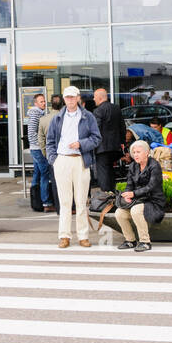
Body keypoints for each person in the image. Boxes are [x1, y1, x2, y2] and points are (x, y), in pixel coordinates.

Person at [45, 86, 102, 248]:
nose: (70, 100)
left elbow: (97, 138)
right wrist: (53, 160)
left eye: (72, 97)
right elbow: (49, 141)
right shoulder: (57, 118)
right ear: (64, 99)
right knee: (64, 202)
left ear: (78, 98)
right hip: (62, 160)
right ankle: (64, 236)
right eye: (67, 97)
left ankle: (83, 236)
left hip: (80, 160)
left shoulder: (87, 116)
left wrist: (81, 144)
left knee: (81, 201)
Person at [114, 140, 167, 252]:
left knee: (135, 210)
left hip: (153, 201)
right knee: (119, 213)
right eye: (134, 152)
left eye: (138, 152)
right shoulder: (133, 166)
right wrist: (127, 195)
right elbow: (129, 184)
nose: (135, 154)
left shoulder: (154, 165)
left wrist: (133, 194)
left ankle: (145, 242)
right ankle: (130, 240)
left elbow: (151, 187)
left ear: (147, 153)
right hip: (138, 200)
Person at [92, 87, 126, 193]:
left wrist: (92, 144)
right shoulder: (116, 108)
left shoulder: (98, 111)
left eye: (95, 97)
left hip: (102, 148)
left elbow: (96, 130)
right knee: (110, 171)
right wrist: (122, 142)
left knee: (103, 173)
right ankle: (113, 194)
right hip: (115, 147)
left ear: (100, 98)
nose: (93, 99)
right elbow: (122, 126)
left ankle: (106, 196)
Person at [26, 93, 53, 212]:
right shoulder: (35, 114)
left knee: (37, 174)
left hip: (37, 148)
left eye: (44, 101)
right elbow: (32, 133)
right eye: (41, 102)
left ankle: (35, 201)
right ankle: (46, 202)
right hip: (38, 149)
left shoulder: (41, 113)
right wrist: (41, 145)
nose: (44, 103)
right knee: (45, 174)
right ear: (35, 103)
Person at [38, 95, 63, 213]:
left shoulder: (43, 119)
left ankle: (56, 206)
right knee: (66, 182)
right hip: (65, 155)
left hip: (51, 155)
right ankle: (67, 206)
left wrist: (46, 153)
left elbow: (41, 140)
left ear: (50, 104)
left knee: (54, 182)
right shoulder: (65, 118)